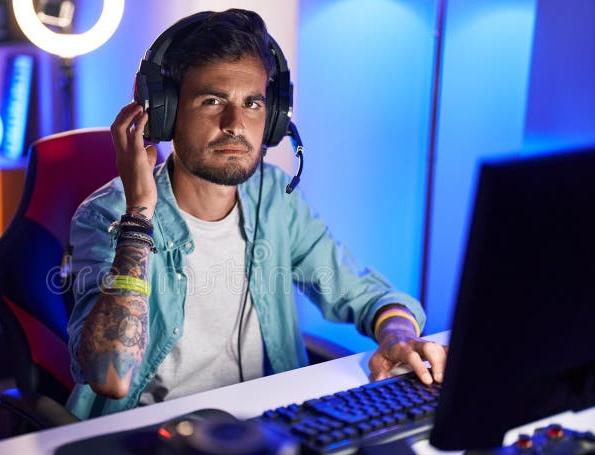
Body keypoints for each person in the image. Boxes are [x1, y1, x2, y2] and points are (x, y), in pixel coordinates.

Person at [65, 9, 446, 420]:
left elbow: (363, 293)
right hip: (148, 439)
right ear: (165, 114)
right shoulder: (108, 213)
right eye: (212, 101)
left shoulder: (274, 198)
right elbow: (110, 375)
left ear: (275, 117)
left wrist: (397, 334)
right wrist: (139, 214)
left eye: (252, 103)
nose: (235, 124)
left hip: (264, 431)